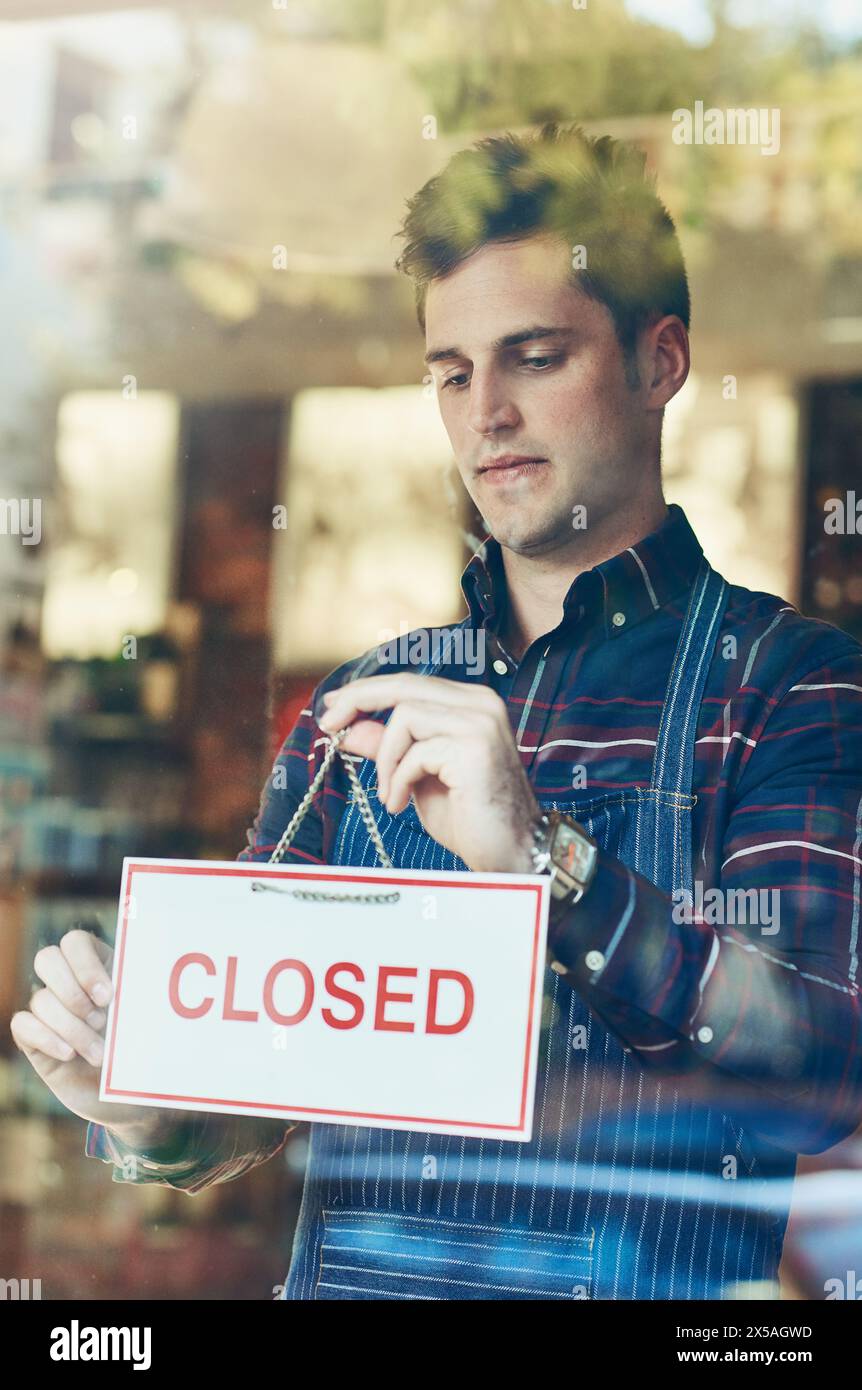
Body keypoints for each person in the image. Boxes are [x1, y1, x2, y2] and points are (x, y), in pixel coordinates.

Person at [12, 122, 862, 1300]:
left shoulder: (787, 683)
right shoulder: (357, 706)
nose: (485, 414)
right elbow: (249, 1095)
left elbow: (814, 1074)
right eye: (452, 372)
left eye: (534, 356)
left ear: (660, 361)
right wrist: (151, 1105)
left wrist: (541, 859)